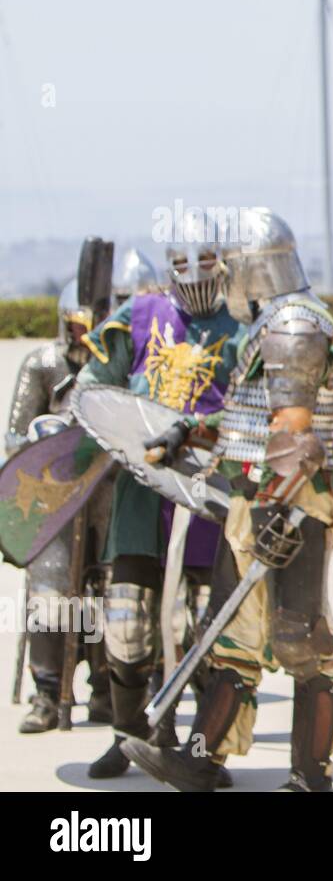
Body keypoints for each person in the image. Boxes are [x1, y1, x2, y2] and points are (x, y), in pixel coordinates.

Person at [122, 208, 333, 792]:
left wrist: (277, 510)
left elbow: (294, 435)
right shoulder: (275, 320)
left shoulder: (294, 325)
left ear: (254, 266)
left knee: (301, 639)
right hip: (254, 501)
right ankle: (202, 761)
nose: (226, 278)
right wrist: (191, 431)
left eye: (233, 267)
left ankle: (309, 776)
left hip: (289, 504)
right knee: (229, 637)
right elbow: (251, 414)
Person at [76, 221, 242, 779]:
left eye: (205, 260)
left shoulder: (244, 323)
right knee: (126, 620)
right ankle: (129, 739)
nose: (193, 274)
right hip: (139, 492)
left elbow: (252, 406)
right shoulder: (141, 315)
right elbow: (98, 385)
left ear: (223, 260)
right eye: (182, 262)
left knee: (206, 632)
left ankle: (202, 749)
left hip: (208, 493)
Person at [4, 258, 115, 733]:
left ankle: (108, 692)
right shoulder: (42, 365)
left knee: (113, 593)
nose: (80, 334)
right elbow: (15, 437)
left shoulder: (113, 364)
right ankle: (48, 693)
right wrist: (47, 444)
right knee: (49, 596)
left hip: (105, 494)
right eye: (75, 324)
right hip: (53, 500)